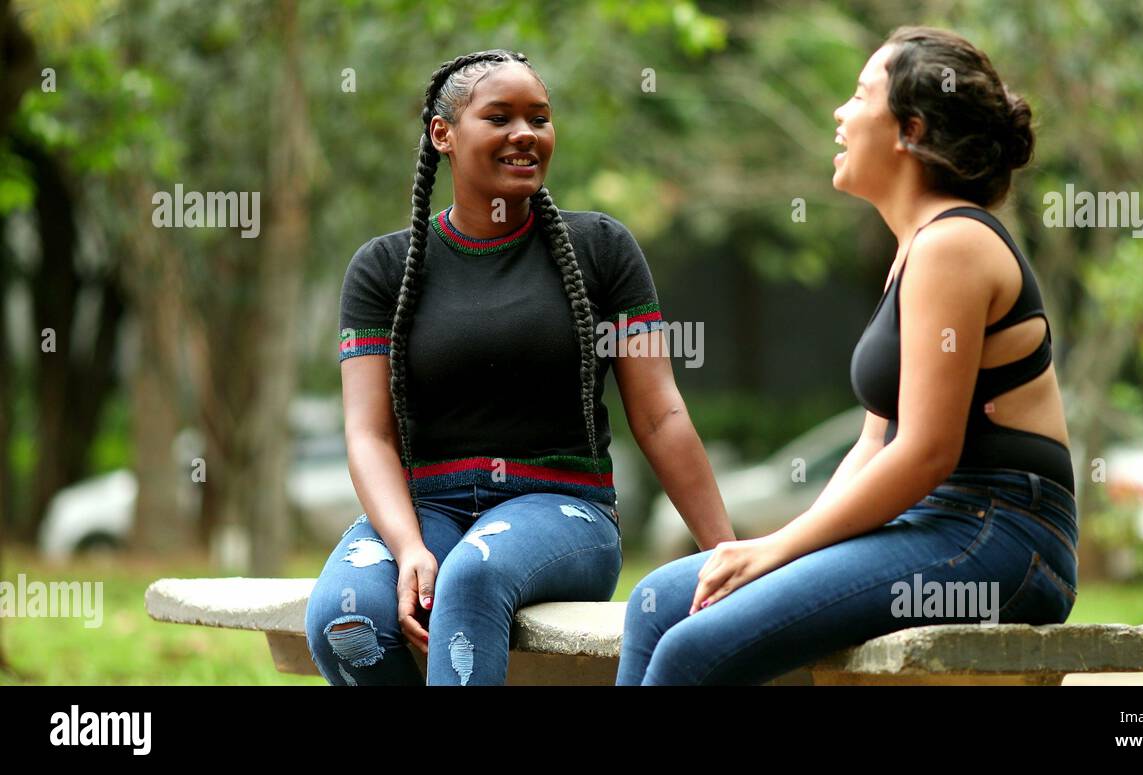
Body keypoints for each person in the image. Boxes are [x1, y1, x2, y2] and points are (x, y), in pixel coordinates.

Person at [617, 26, 1079, 685]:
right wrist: (786, 546)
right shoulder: (915, 249)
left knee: (694, 649)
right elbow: (874, 444)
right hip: (941, 524)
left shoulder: (955, 246)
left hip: (1002, 534)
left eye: (859, 96)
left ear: (909, 130)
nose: (839, 113)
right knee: (657, 600)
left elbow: (926, 451)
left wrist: (777, 546)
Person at [305, 49, 732, 686]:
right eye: (499, 117)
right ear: (442, 133)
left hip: (564, 511)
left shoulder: (603, 250)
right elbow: (368, 435)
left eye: (540, 117)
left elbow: (660, 413)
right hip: (427, 512)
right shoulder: (383, 269)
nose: (525, 134)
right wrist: (408, 547)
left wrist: (726, 553)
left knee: (474, 575)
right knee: (347, 622)